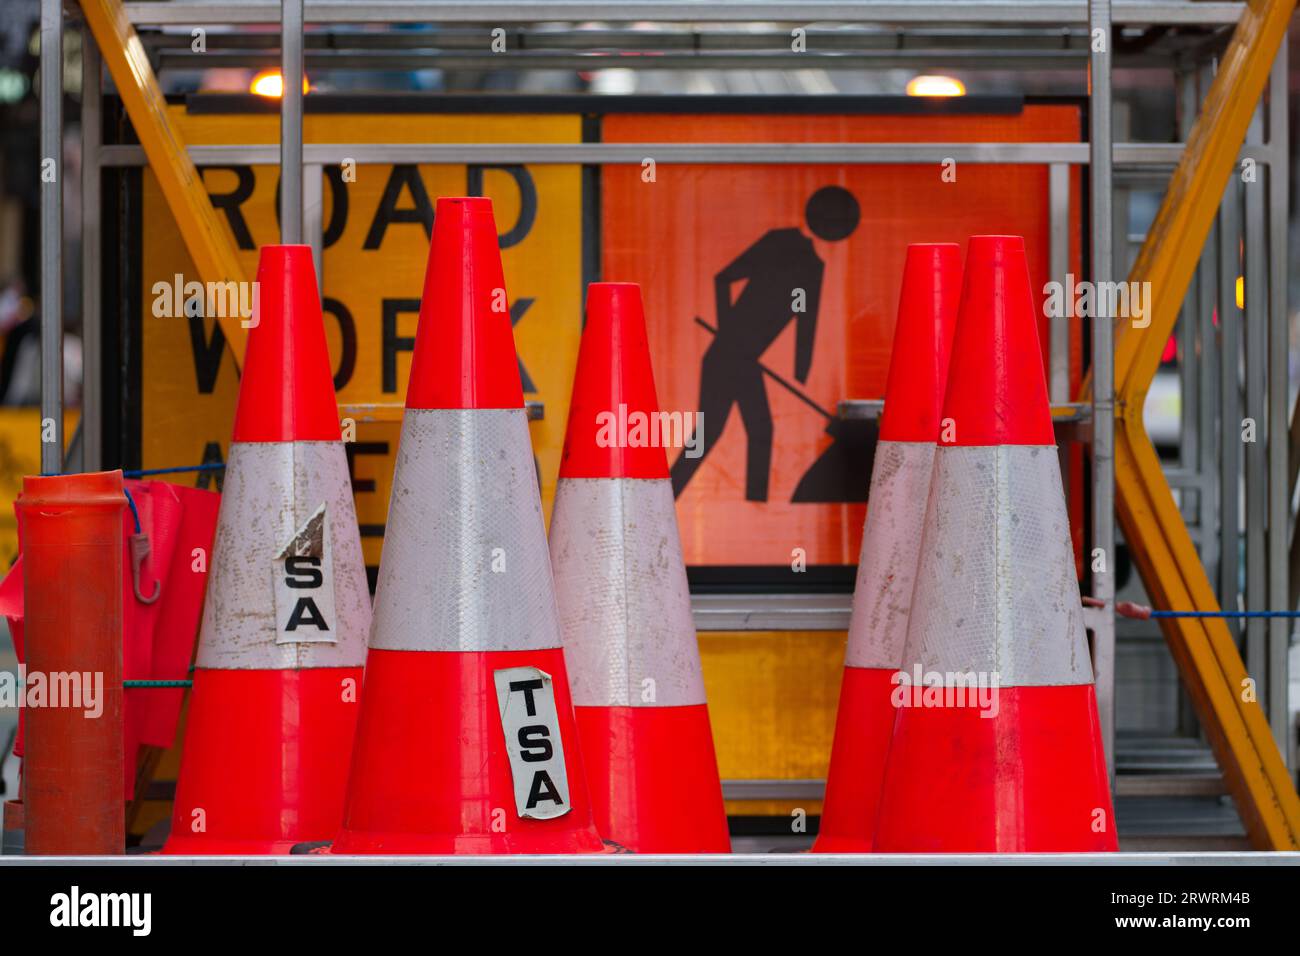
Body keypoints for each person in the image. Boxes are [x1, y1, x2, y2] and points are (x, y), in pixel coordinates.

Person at [670, 185, 860, 501]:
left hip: (745, 360)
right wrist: (728, 331)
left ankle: (758, 504)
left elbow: (805, 325)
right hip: (726, 355)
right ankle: (664, 500)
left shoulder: (814, 269)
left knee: (760, 432)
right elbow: (724, 278)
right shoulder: (778, 242)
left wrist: (801, 373)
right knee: (708, 435)